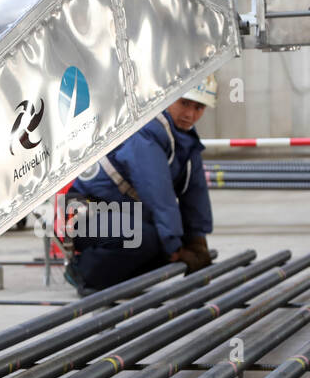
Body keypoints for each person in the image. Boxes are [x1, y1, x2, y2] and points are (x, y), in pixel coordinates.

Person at [65, 75, 217, 294]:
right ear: (169, 97)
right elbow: (157, 191)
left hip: (119, 212)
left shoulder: (186, 141)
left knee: (164, 239)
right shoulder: (147, 130)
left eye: (199, 107)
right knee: (148, 239)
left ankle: (122, 277)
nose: (190, 114)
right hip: (82, 213)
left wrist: (197, 240)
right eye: (184, 103)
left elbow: (195, 195)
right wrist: (175, 246)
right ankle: (84, 272)